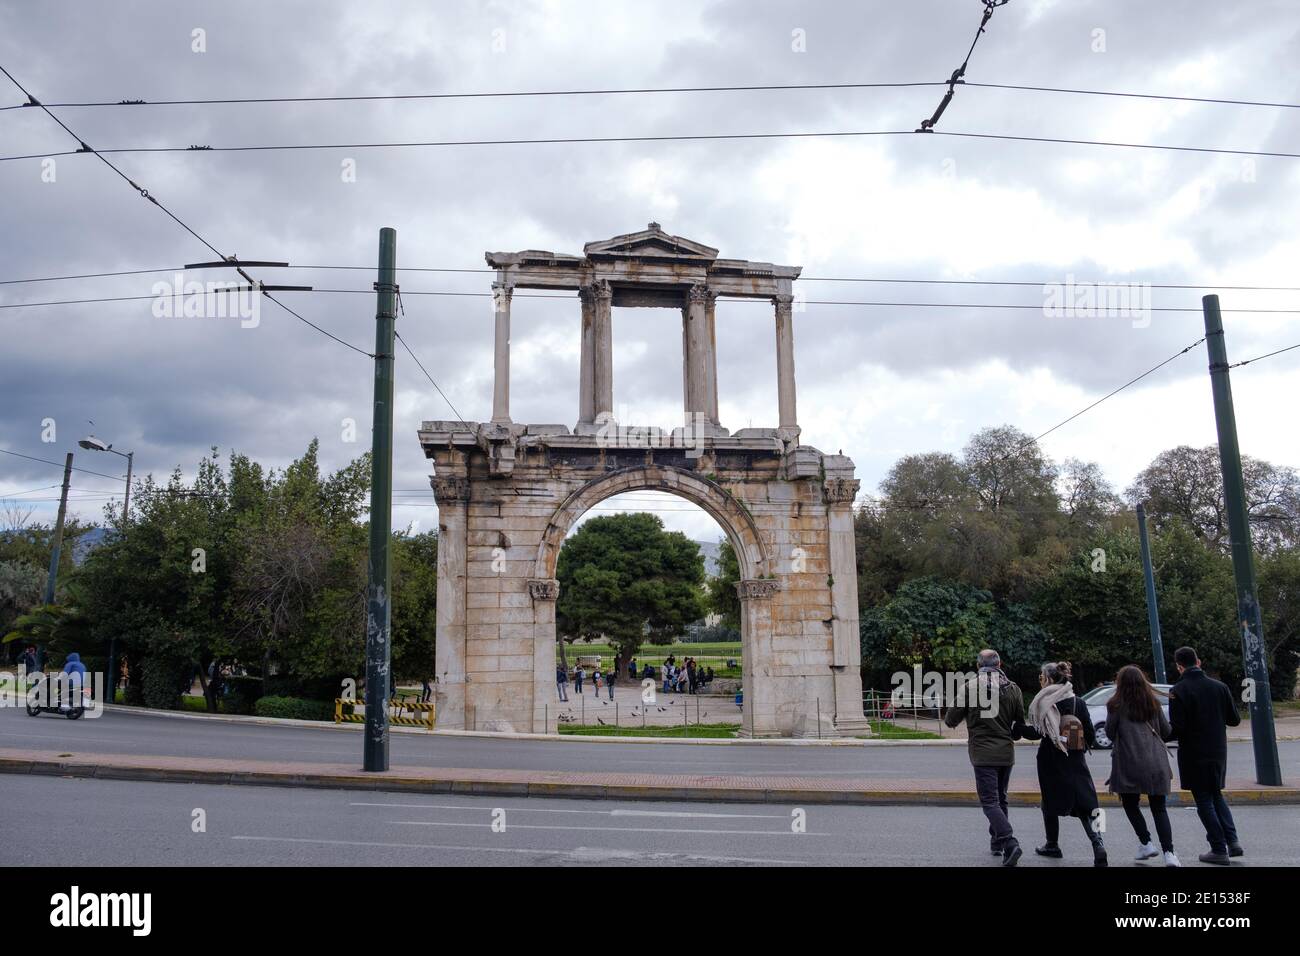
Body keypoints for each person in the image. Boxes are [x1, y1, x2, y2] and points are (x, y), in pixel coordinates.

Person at [943, 649, 1026, 866]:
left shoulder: (969, 688)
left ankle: (1009, 842)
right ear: (1000, 664)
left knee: (989, 802)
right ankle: (997, 843)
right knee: (1001, 798)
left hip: (982, 753)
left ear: (978, 666)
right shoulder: (1014, 688)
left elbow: (951, 720)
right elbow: (1019, 724)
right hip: (1006, 753)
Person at [1020, 661, 1107, 866]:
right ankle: (1098, 843)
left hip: (1051, 759)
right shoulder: (1078, 701)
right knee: (1087, 804)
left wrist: (1017, 728)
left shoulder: (1045, 702)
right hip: (1076, 760)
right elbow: (1089, 733)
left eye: (1041, 677)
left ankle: (1052, 845)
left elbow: (1037, 732)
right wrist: (1078, 747)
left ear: (1049, 679)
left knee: (1049, 802)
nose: (1040, 681)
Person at [1168, 646, 1242, 865]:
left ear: (1179, 666)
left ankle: (1218, 848)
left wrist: (1159, 734)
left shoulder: (1178, 690)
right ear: (1198, 662)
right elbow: (1234, 720)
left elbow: (1178, 728)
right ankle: (1233, 841)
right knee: (1216, 794)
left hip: (1193, 753)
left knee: (1203, 800)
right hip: (1218, 750)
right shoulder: (1220, 687)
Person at [1106, 665, 1179, 867]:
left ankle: (1146, 842)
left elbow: (1110, 733)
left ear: (1120, 683)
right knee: (1159, 809)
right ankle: (1169, 854)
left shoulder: (1115, 705)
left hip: (1129, 763)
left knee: (1130, 804)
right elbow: (1166, 731)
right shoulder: (1153, 703)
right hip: (1156, 763)